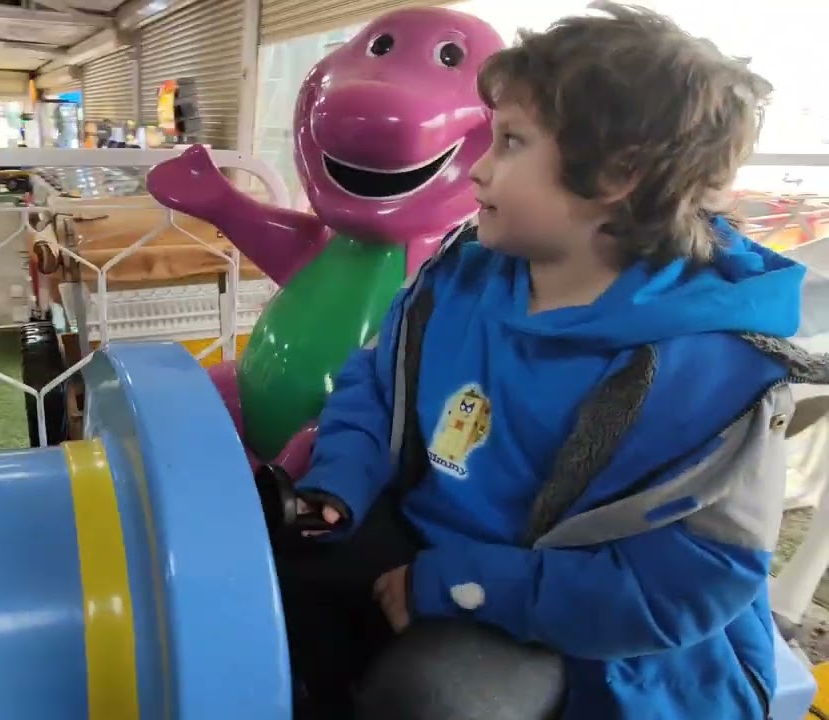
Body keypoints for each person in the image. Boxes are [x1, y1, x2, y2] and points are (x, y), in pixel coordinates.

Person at [278, 3, 823, 719]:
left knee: (435, 698)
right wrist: (339, 485)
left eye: (509, 143)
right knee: (269, 574)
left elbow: (684, 587)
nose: (477, 169)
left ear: (617, 178)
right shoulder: (460, 275)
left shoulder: (712, 374)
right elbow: (375, 383)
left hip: (585, 628)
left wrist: (456, 586)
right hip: (427, 542)